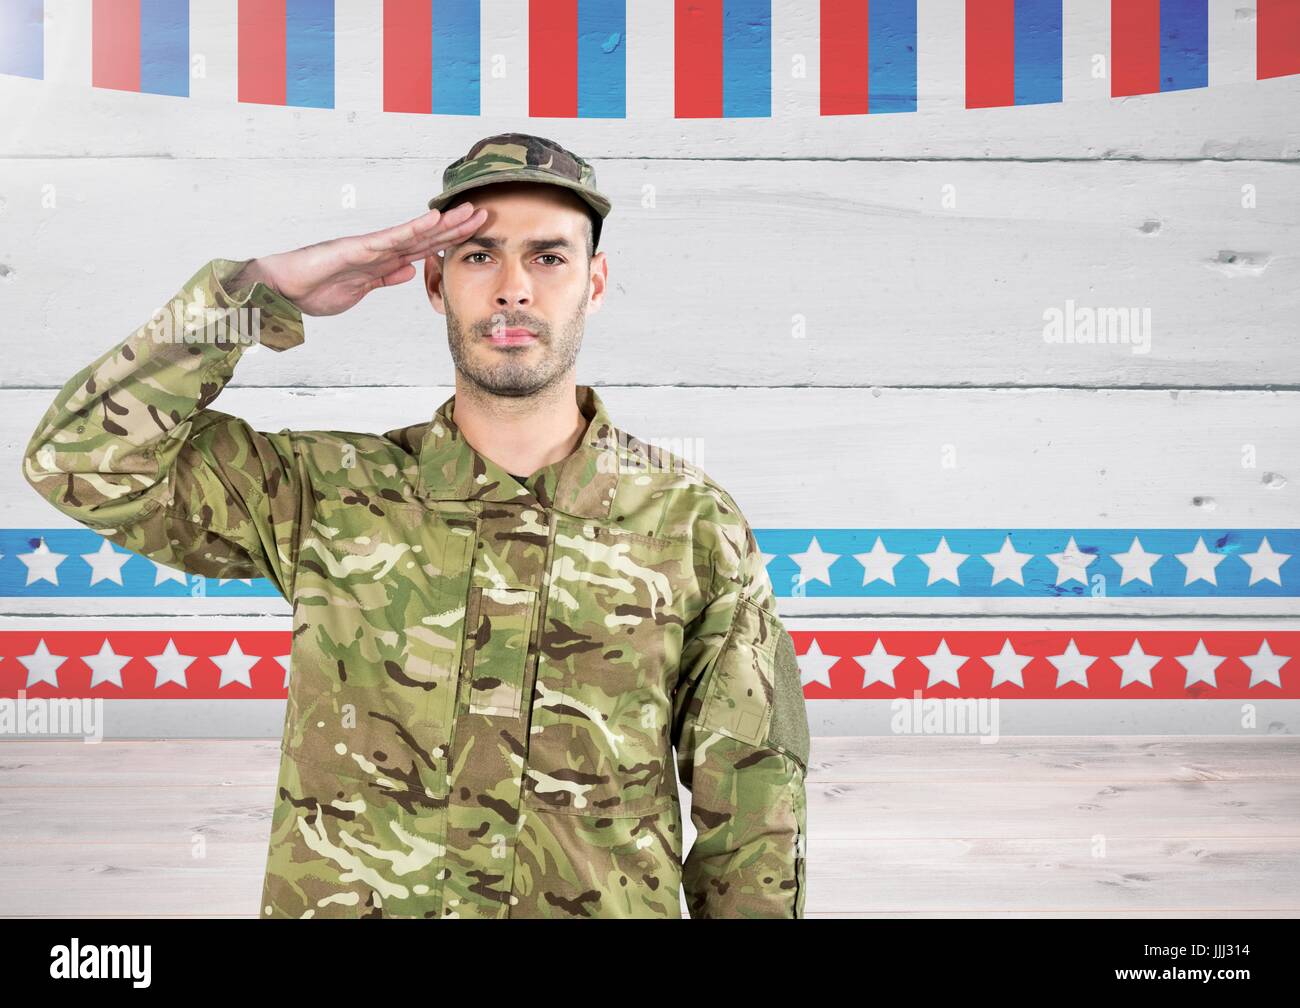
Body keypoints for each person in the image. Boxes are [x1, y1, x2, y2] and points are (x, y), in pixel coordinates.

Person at [21, 132, 810, 919]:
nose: (512, 289)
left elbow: (754, 803)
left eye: (549, 257)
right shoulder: (324, 493)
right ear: (434, 283)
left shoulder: (691, 525)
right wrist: (257, 293)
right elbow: (82, 459)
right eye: (477, 256)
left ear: (595, 283)